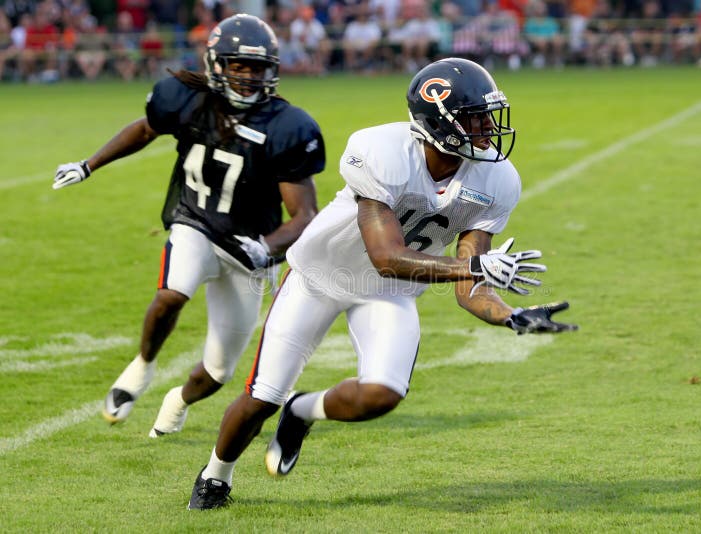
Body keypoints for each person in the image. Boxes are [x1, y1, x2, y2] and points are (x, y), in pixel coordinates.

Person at [186, 57, 578, 510]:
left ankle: (304, 410)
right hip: (321, 276)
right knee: (263, 395)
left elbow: (471, 280)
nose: (488, 127)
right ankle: (216, 475)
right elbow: (386, 256)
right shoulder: (380, 150)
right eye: (475, 117)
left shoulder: (498, 179)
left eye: (489, 114)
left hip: (389, 293)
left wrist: (510, 316)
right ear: (438, 122)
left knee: (382, 394)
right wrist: (472, 269)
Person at [52, 14, 324, 439]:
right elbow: (145, 130)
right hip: (194, 221)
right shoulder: (184, 97)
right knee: (172, 292)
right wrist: (89, 165)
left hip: (248, 248)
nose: (249, 76)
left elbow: (305, 216)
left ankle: (176, 399)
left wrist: (265, 247)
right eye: (238, 65)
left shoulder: (287, 126)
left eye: (257, 67)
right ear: (217, 64)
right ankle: (141, 367)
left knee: (218, 371)